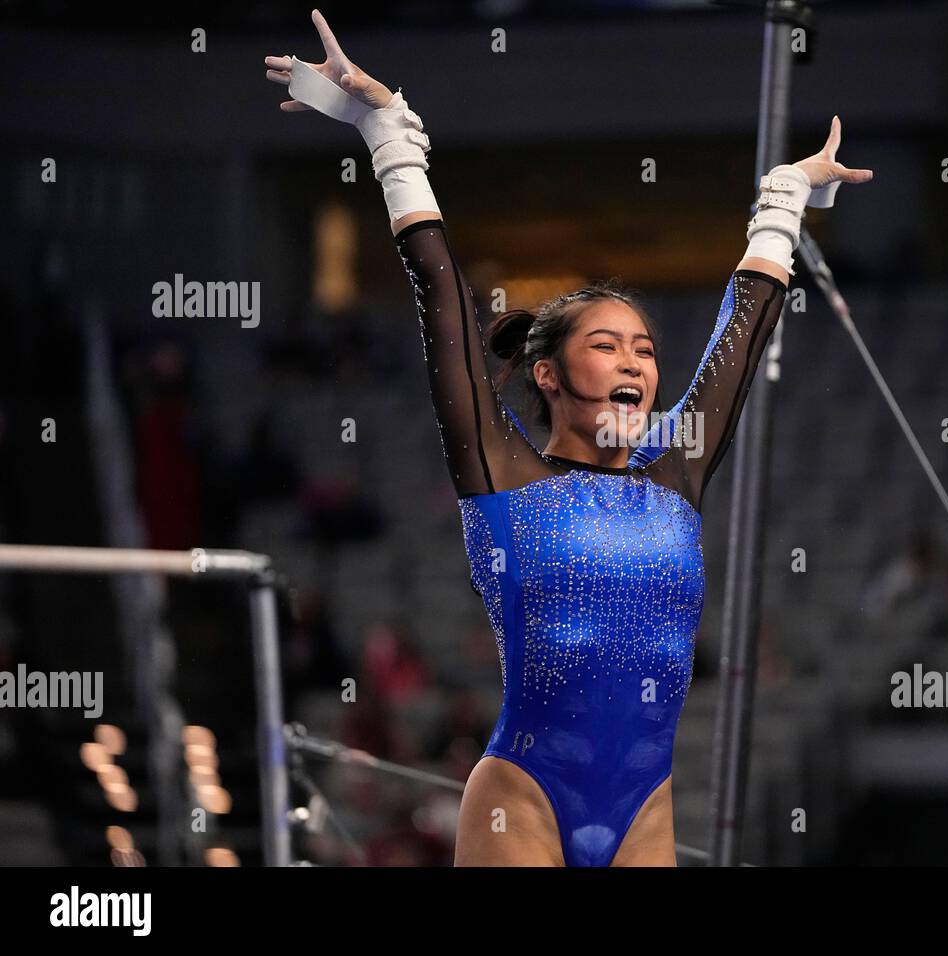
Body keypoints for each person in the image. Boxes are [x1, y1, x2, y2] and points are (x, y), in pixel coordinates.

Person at [264, 9, 872, 866]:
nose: (637, 362)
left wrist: (781, 203)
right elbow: (440, 295)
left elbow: (743, 337)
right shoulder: (504, 474)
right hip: (524, 797)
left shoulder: (677, 477)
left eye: (646, 349)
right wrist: (389, 132)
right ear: (549, 375)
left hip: (644, 806)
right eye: (606, 344)